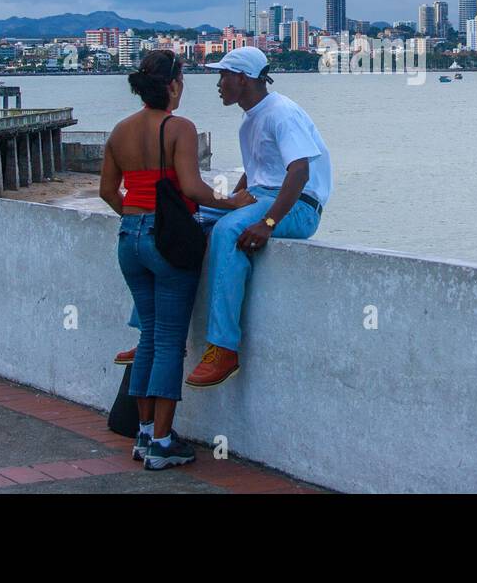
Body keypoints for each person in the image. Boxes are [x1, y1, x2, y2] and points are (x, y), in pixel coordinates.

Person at [100, 50, 255, 469]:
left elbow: (108, 192)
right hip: (166, 244)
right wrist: (232, 200)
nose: (182, 89)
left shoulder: (119, 131)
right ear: (172, 85)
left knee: (149, 336)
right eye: (182, 81)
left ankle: (144, 433)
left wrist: (136, 219)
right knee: (170, 340)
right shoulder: (178, 127)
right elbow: (192, 187)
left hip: (128, 239)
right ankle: (163, 443)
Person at [184, 46, 332, 387]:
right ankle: (159, 331)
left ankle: (223, 348)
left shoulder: (282, 113)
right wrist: (230, 201)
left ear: (243, 78)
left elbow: (299, 173)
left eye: (223, 75)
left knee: (226, 231)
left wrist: (267, 223)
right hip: (266, 197)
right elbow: (256, 175)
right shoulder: (250, 119)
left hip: (297, 205)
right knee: (183, 216)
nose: (219, 83)